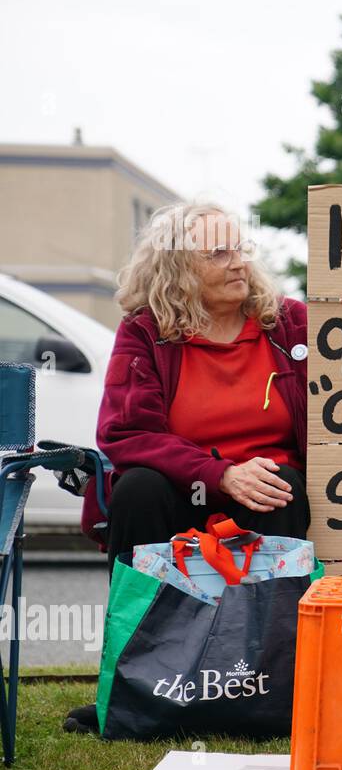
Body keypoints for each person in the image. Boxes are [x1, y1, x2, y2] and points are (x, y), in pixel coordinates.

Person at [64, 202, 310, 734]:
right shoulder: (146, 332)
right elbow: (125, 434)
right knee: (138, 491)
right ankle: (131, 685)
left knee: (283, 484)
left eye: (241, 248)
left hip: (268, 485)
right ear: (176, 268)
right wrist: (217, 473)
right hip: (186, 485)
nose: (239, 262)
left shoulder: (289, 323)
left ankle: (270, 688)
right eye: (218, 252)